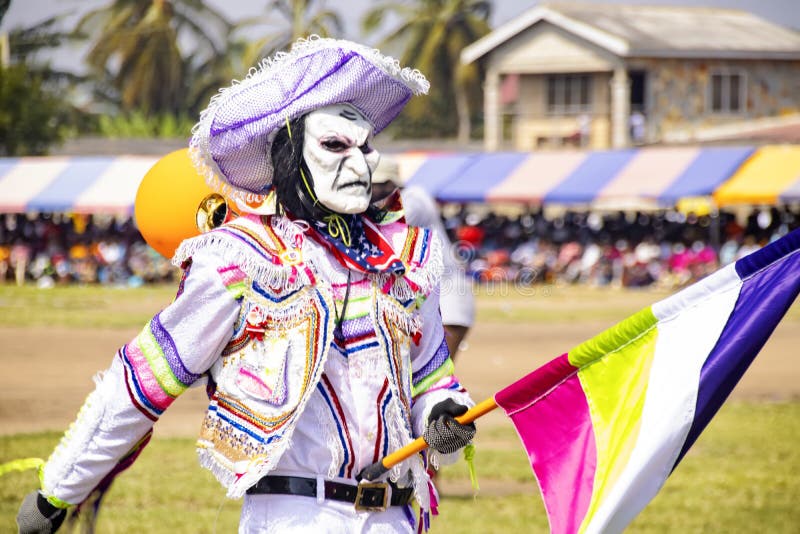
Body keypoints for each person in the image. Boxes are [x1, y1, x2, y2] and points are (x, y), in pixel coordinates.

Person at [16, 36, 476, 534]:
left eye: (366, 147)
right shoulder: (241, 259)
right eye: (335, 146)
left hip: (396, 520)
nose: (360, 163)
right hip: (295, 519)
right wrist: (57, 491)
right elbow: (143, 380)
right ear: (290, 156)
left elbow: (433, 381)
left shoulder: (401, 260)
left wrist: (447, 417)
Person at [370, 157, 475, 358]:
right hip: (429, 301)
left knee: (436, 376)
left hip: (449, 300)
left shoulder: (414, 198)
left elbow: (387, 225)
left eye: (373, 186)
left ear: (390, 183)